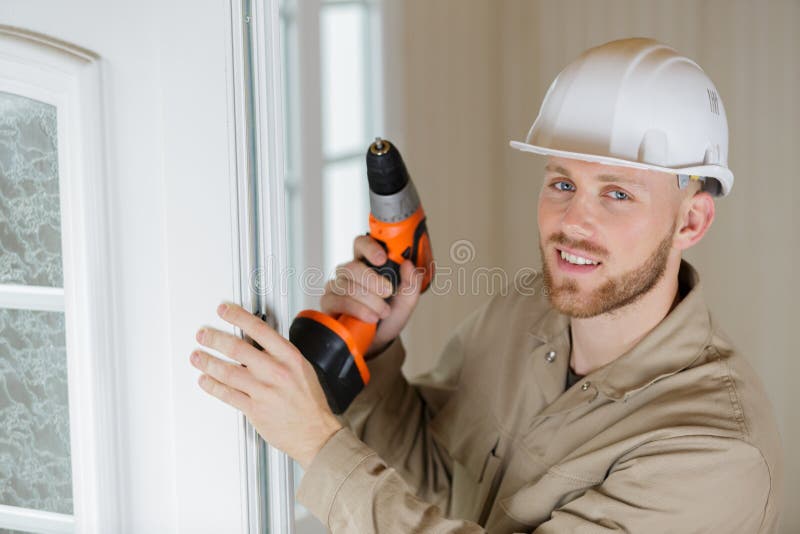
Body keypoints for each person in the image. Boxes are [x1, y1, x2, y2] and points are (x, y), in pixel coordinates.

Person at [191, 38, 783, 532]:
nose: (573, 222)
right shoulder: (525, 309)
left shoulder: (716, 450)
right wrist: (373, 352)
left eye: (618, 193)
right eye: (561, 183)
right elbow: (440, 483)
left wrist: (318, 446)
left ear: (691, 221)